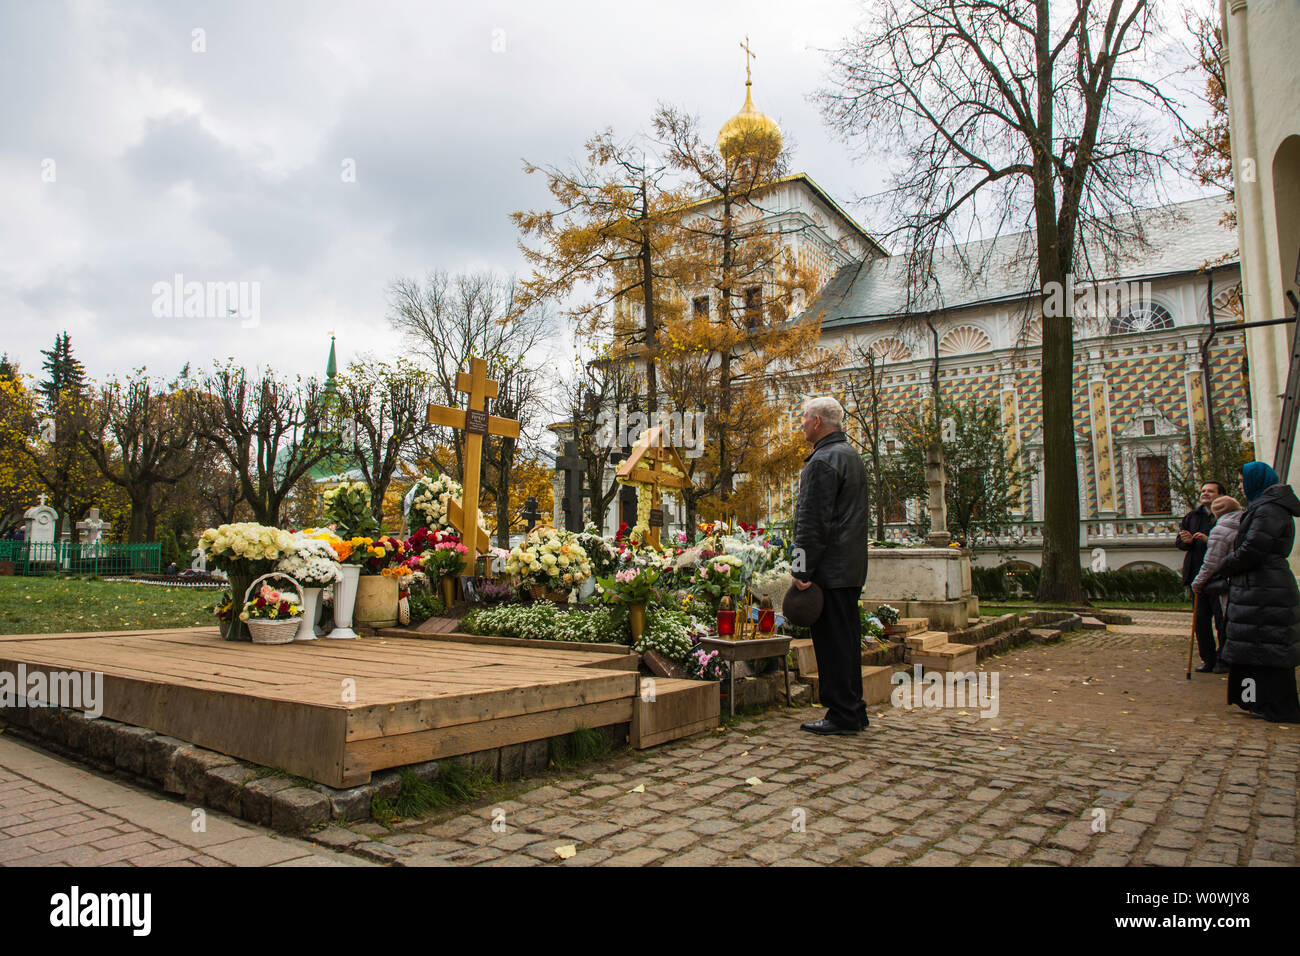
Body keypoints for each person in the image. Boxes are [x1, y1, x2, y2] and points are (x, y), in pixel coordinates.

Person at [791, 396, 869, 735]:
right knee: (848, 641)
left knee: (833, 644)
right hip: (850, 568)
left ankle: (841, 714)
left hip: (829, 570)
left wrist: (800, 569)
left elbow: (810, 522)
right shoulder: (852, 456)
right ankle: (854, 708)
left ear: (819, 422)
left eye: (805, 418)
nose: (802, 424)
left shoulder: (822, 462)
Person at [1217, 462, 1300, 723]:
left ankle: (1274, 704)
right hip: (1257, 587)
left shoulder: (1269, 509)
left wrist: (1226, 565)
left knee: (1265, 649)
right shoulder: (1264, 507)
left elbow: (1254, 548)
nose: (1240, 486)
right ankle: (1255, 700)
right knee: (1252, 649)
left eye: (1243, 480)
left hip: (1265, 589)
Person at [1176, 480, 1225, 672]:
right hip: (1196, 575)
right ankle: (1208, 658)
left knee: (1222, 621)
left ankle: (1224, 659)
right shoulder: (1192, 516)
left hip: (1219, 576)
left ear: (1220, 495)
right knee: (1201, 622)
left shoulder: (1224, 517)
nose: (1205, 494)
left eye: (1210, 491)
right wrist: (1185, 541)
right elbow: (1180, 542)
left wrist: (1208, 540)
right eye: (1203, 491)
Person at [1190, 496, 1243, 660]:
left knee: (1225, 620)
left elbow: (1212, 561)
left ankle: (1225, 659)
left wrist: (1198, 581)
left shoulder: (1221, 529)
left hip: (1224, 581)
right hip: (1244, 581)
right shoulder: (1246, 523)